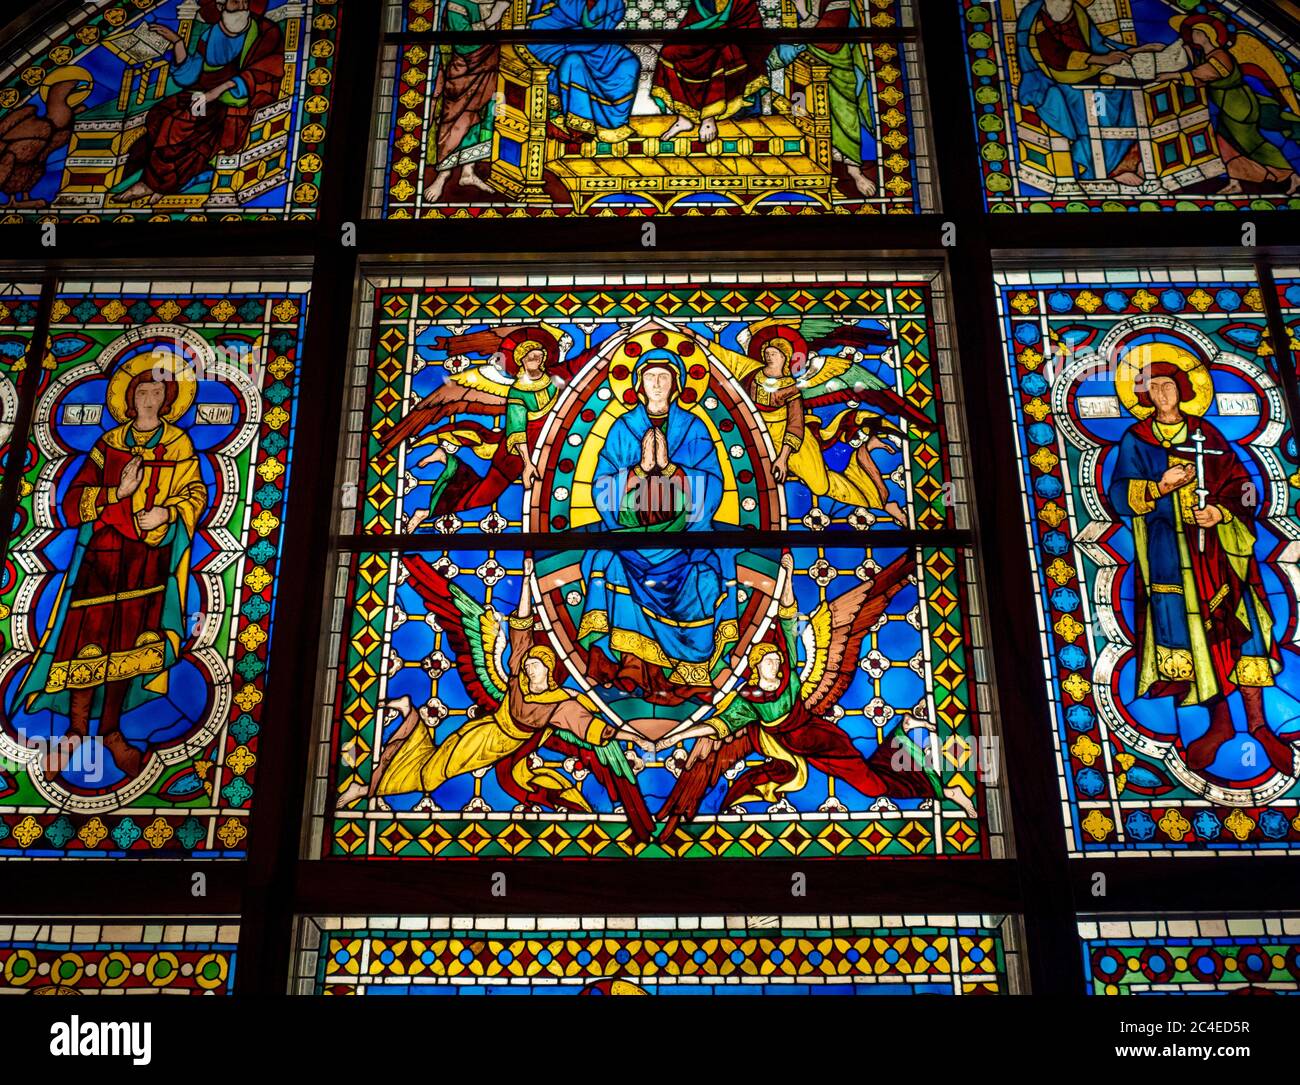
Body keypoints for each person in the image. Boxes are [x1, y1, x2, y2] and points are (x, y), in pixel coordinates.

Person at [13, 351, 207, 780]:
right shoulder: (108, 446)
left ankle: (113, 732)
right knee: (87, 642)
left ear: (169, 399)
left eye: (159, 391)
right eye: (143, 390)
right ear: (129, 398)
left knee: (131, 650)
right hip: (100, 558)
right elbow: (72, 503)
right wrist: (117, 494)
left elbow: (195, 494)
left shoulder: (180, 445)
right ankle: (77, 729)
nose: (150, 398)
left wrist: (168, 514)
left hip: (148, 561)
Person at [1107, 348, 1294, 775]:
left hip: (1221, 554)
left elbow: (1241, 485)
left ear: (1184, 390)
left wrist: (1222, 513)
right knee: (1192, 636)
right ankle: (1220, 722)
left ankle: (1261, 724)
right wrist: (1159, 485)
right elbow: (1120, 495)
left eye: (1168, 385)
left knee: (1243, 625)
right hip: (1169, 557)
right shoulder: (1136, 439)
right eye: (1152, 388)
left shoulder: (1207, 435)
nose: (1161, 393)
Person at [577, 351, 737, 695]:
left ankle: (691, 668)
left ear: (677, 385)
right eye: (650, 377)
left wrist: (669, 470)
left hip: (684, 537)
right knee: (611, 562)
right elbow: (601, 487)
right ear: (638, 384)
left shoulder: (693, 428)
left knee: (704, 574)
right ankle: (633, 665)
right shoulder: (623, 429)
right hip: (632, 535)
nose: (658, 384)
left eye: (665, 377)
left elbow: (712, 484)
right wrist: (636, 471)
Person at [114, 0, 284, 203]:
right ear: (220, 6)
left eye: (243, 1)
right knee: (158, 115)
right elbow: (190, 74)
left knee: (177, 124)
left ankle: (154, 184)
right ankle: (174, 179)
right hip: (200, 95)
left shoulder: (265, 32)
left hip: (229, 100)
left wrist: (216, 92)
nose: (240, 3)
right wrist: (177, 42)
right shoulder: (211, 33)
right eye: (233, 1)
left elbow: (264, 71)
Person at [1016, 0, 1154, 187]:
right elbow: (1054, 56)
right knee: (1097, 102)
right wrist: (1099, 59)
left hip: (1090, 71)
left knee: (1125, 95)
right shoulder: (1034, 16)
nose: (1067, 3)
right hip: (1053, 77)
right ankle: (1108, 167)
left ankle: (1129, 160)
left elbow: (1098, 42)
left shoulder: (1077, 11)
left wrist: (1132, 51)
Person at [1179, 14, 1300, 196]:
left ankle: (1292, 174)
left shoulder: (1221, 56)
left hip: (1239, 108)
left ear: (1208, 35)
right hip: (1222, 108)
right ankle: (1235, 181)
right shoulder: (1204, 56)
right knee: (1226, 144)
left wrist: (1172, 76)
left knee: (1253, 145)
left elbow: (1207, 75)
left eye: (1198, 32)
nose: (1193, 35)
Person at [772, 0, 875, 197]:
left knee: (845, 110)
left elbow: (829, 36)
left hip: (837, 61)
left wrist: (802, 15)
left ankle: (854, 171)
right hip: (808, 52)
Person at [422, 0, 510, 203]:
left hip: (489, 67)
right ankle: (443, 175)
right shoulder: (457, 4)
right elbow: (464, 43)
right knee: (455, 121)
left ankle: (468, 172)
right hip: (463, 71)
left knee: (482, 119)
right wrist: (494, 17)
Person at [651, 0, 770, 142]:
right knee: (669, 51)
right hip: (704, 42)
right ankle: (684, 118)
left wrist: (723, 31)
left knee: (722, 53)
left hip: (736, 48)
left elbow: (753, 30)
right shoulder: (702, 2)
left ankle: (709, 118)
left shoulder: (743, 2)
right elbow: (689, 26)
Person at [525, 0, 640, 141]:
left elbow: (602, 32)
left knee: (628, 62)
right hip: (557, 45)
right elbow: (542, 27)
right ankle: (577, 124)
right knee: (573, 62)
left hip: (596, 46)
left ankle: (612, 124)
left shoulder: (613, 3)